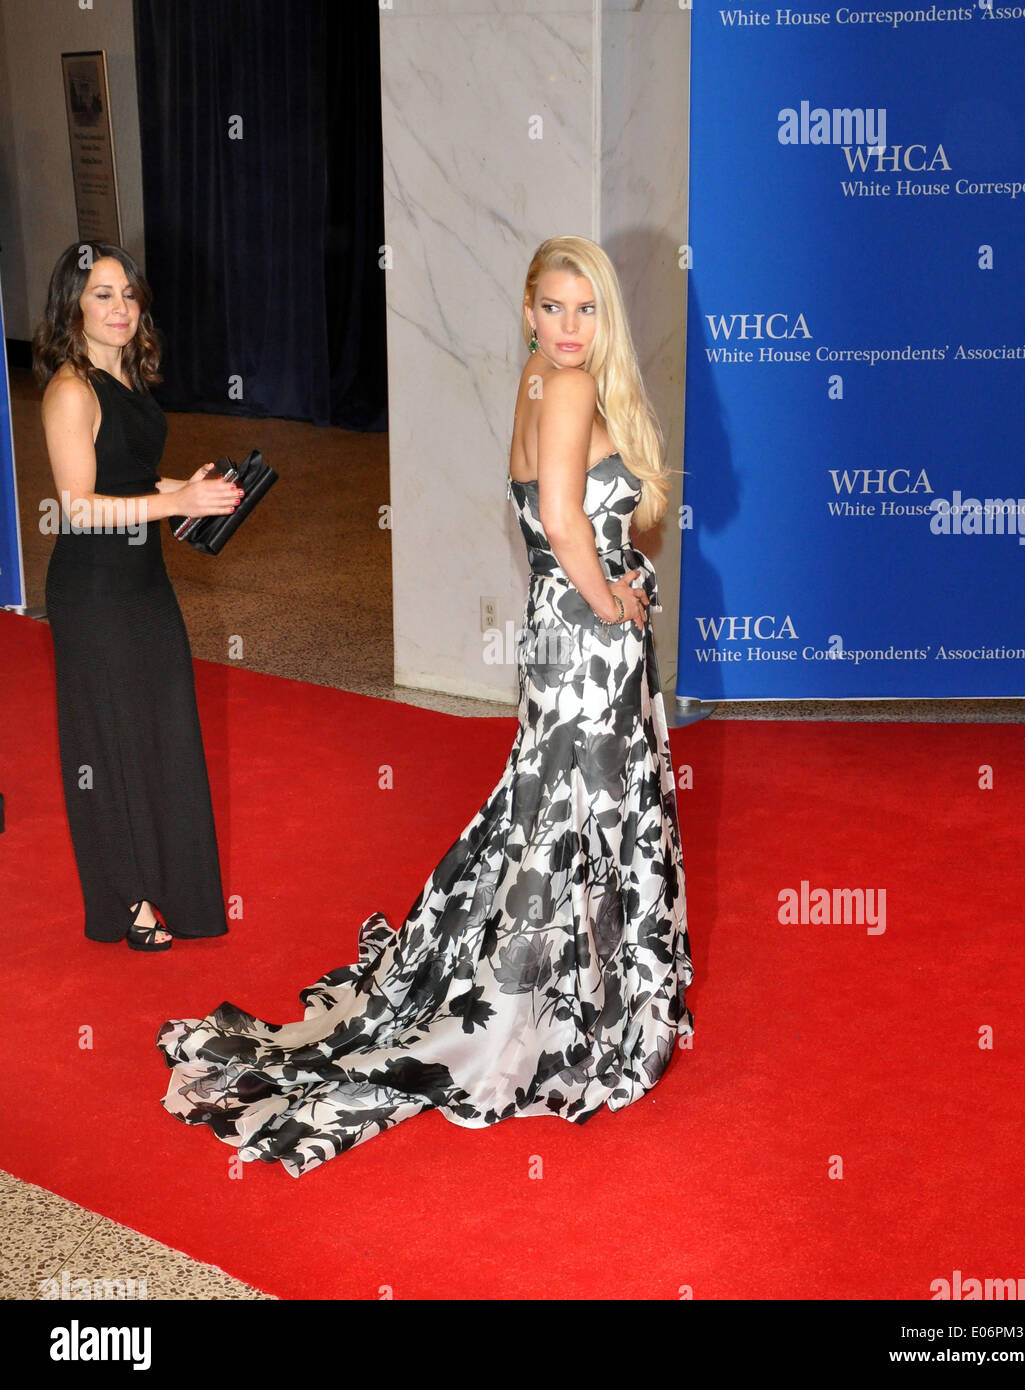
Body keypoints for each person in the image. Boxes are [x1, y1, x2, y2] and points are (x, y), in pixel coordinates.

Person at [156, 235, 693, 1174]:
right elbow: (565, 519)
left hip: (551, 637)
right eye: (553, 308)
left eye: (586, 309)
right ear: (529, 310)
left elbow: (547, 520)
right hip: (587, 647)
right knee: (589, 816)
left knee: (548, 812)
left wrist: (604, 587)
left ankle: (534, 988)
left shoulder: (533, 381)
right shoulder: (564, 387)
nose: (568, 328)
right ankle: (569, 1013)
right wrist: (615, 599)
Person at [35, 241, 241, 949]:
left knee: (163, 729)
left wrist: (190, 492)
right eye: (102, 294)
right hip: (93, 592)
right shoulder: (70, 389)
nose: (120, 306)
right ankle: (124, 900)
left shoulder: (125, 376)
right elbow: (79, 507)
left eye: (127, 293)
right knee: (109, 740)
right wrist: (174, 498)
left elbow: (126, 478)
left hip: (143, 582)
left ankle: (173, 886)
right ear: (74, 305)